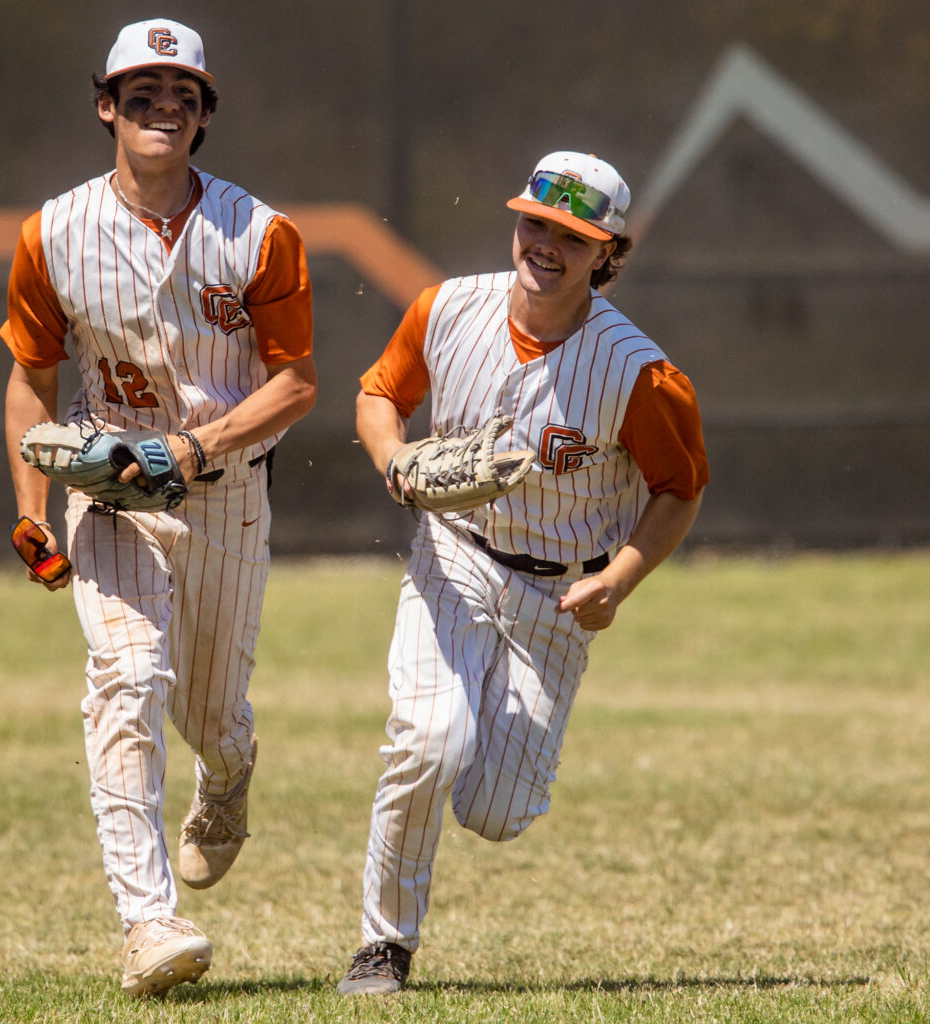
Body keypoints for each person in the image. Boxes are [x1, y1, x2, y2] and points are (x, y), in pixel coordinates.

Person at [338, 151, 709, 995]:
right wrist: (395, 461)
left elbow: (680, 488)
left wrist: (621, 578)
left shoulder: (639, 373)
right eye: (535, 223)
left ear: (607, 253)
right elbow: (378, 395)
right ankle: (383, 947)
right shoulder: (446, 307)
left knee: (496, 813)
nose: (545, 245)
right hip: (454, 554)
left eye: (571, 237)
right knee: (428, 740)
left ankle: (476, 761)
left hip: (558, 593)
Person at [0, 18, 316, 998]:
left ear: (205, 113)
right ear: (107, 105)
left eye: (183, 91)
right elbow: (31, 380)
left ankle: (229, 774)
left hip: (226, 494)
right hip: (112, 495)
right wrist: (32, 513)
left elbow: (296, 384)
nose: (163, 103)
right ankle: (147, 922)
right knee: (127, 679)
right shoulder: (54, 232)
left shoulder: (259, 232)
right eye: (142, 88)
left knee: (211, 716)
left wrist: (193, 446)